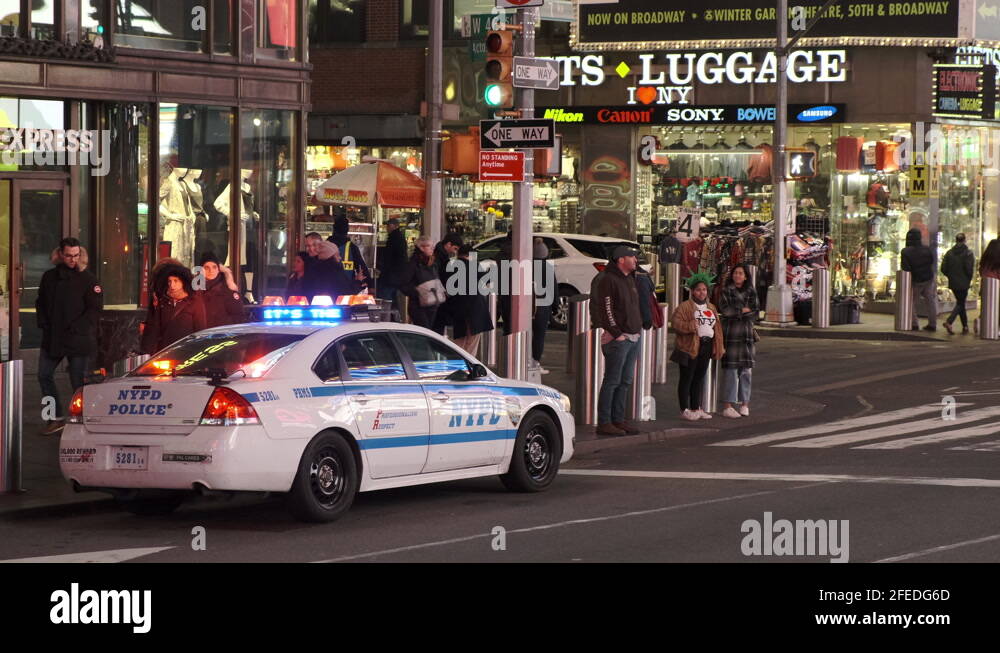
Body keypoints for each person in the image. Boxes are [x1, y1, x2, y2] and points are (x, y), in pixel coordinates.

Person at [36, 238, 103, 435]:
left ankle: (81, 420)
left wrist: (77, 328)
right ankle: (53, 418)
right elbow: (40, 302)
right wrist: (44, 324)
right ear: (60, 255)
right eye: (68, 256)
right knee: (44, 375)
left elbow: (94, 309)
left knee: (78, 382)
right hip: (53, 337)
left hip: (78, 339)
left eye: (76, 255)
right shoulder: (49, 277)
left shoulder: (89, 279)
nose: (73, 259)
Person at [593, 246, 644, 437]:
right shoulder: (608, 279)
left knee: (625, 380)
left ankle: (618, 419)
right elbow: (606, 308)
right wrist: (617, 333)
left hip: (633, 336)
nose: (636, 260)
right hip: (620, 338)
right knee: (612, 380)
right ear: (621, 259)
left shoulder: (629, 278)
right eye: (632, 257)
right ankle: (605, 421)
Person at [671, 273, 725, 421]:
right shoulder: (685, 306)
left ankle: (696, 407)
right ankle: (684, 409)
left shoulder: (711, 307)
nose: (702, 292)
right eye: (698, 290)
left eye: (704, 289)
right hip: (689, 346)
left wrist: (719, 346)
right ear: (692, 291)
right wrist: (689, 326)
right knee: (686, 378)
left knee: (699, 378)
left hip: (706, 346)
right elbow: (675, 323)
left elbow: (717, 328)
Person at [718, 264, 758, 418]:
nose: (738, 275)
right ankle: (728, 405)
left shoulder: (751, 291)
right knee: (730, 370)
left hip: (747, 335)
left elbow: (755, 312)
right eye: (735, 273)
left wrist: (737, 312)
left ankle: (744, 403)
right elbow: (725, 311)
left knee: (746, 371)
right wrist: (743, 311)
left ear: (746, 276)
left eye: (741, 273)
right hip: (731, 335)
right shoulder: (726, 290)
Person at [141, 260, 207, 354]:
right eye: (169, 281)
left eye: (176, 281)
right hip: (164, 352)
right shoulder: (162, 301)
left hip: (186, 352)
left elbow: (200, 330)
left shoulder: (194, 301)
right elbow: (154, 329)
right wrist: (146, 352)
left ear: (183, 282)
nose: (172, 285)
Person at [450, 244, 493, 356]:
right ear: (469, 255)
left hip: (459, 309)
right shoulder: (473, 266)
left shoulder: (452, 266)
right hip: (475, 308)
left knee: (459, 341)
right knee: (472, 343)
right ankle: (469, 367)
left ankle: (458, 366)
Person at [400, 236, 442, 329]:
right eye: (429, 246)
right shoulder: (413, 264)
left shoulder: (433, 263)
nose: (432, 249)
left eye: (433, 246)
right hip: (418, 306)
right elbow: (403, 285)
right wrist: (419, 293)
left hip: (433, 304)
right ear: (421, 247)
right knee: (425, 331)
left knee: (431, 332)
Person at [900, 227, 938, 332]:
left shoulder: (906, 251)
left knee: (911, 302)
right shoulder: (927, 249)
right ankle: (932, 324)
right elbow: (932, 261)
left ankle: (914, 323)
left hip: (916, 280)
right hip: (928, 278)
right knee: (930, 301)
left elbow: (905, 268)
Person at [197, 252, 244, 328]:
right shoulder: (195, 290)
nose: (211, 271)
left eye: (214, 267)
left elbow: (238, 316)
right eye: (206, 267)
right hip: (200, 335)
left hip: (221, 335)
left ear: (219, 269)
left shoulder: (228, 290)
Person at [940, 233, 975, 335]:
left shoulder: (949, 253)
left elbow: (943, 268)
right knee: (960, 303)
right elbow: (969, 269)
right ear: (964, 240)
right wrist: (968, 278)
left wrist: (951, 276)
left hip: (953, 282)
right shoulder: (968, 253)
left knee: (961, 303)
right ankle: (949, 321)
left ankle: (965, 326)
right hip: (964, 282)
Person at [432, 233, 464, 335]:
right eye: (455, 249)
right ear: (448, 244)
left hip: (439, 297)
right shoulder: (439, 257)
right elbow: (438, 276)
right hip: (438, 297)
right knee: (437, 327)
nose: (455, 252)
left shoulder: (442, 255)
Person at [328, 215, 369, 294]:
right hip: (348, 290)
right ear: (347, 230)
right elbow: (362, 267)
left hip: (327, 289)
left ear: (333, 228)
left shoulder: (326, 245)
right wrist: (370, 286)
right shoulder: (352, 247)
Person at [531, 238, 555, 373]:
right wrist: (555, 306)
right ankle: (535, 362)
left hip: (527, 306)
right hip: (543, 306)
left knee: (526, 335)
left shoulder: (525, 265)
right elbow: (553, 289)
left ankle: (523, 360)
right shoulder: (547, 268)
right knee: (539, 336)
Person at [377, 217, 408, 311]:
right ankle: (395, 318)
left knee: (385, 298)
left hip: (391, 275)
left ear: (393, 226)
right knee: (393, 298)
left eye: (388, 226)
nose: (387, 228)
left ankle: (386, 318)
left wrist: (382, 267)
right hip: (397, 275)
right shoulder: (399, 237)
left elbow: (389, 257)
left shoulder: (394, 238)